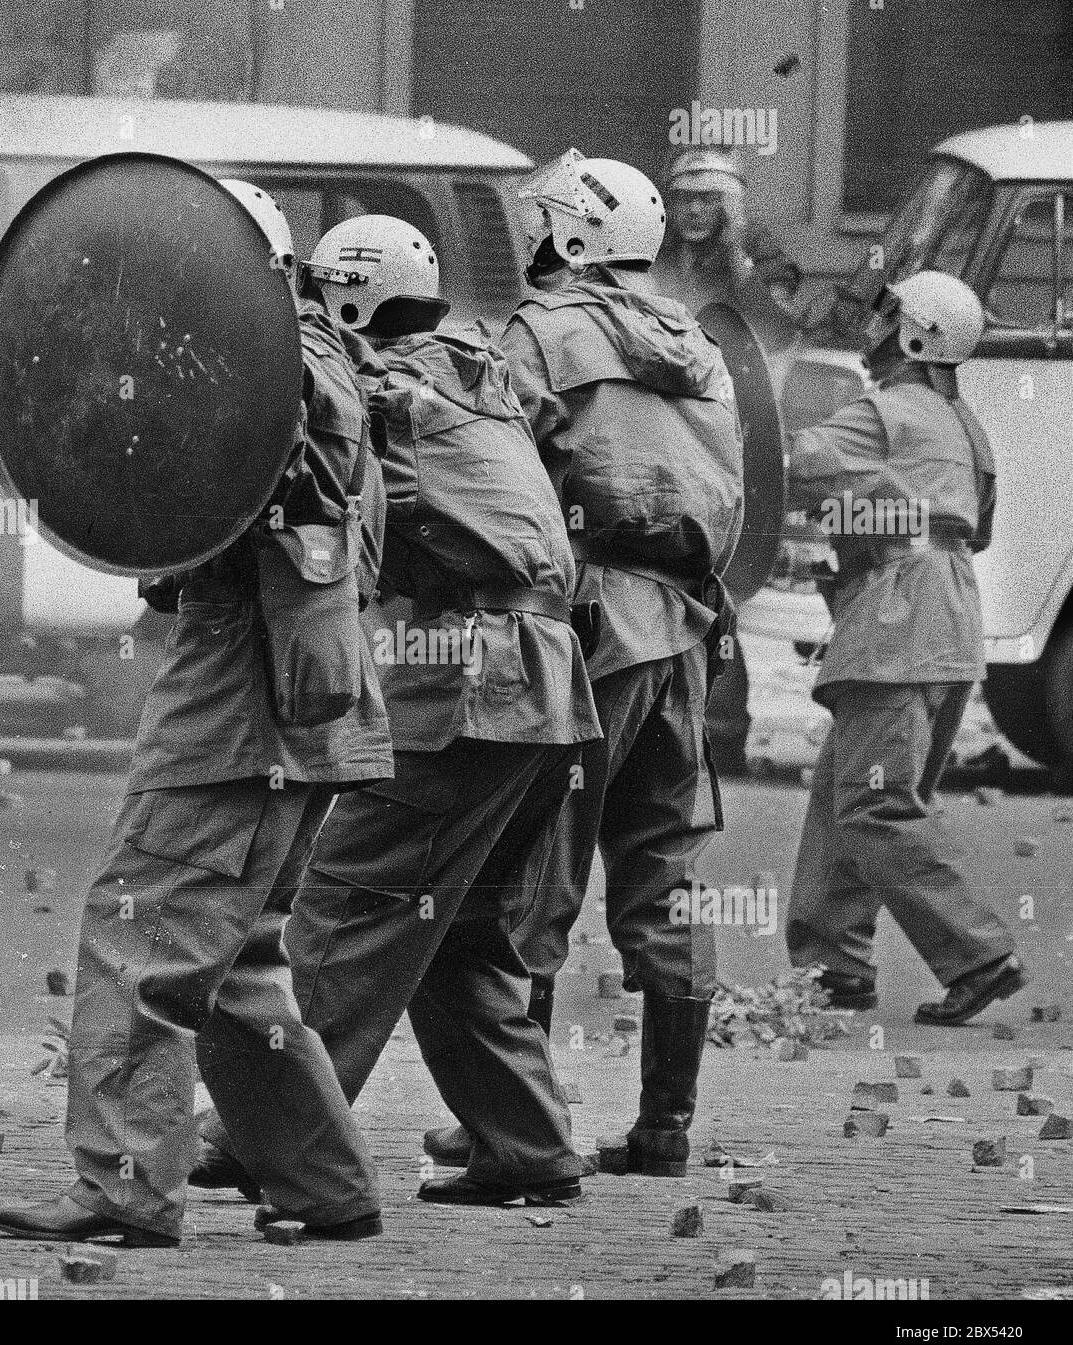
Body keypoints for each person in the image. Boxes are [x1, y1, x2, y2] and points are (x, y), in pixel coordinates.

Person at [0, 181, 392, 1246]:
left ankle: (125, 1186)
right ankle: (324, 1186)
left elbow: (222, 514)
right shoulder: (323, 367)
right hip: (306, 709)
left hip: (234, 714)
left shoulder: (268, 375)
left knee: (137, 937)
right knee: (235, 967)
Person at [192, 212, 603, 1207]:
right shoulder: (480, 371)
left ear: (345, 300)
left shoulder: (380, 385)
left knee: (342, 909)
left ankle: (265, 1138)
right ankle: (527, 1147)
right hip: (546, 688)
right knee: (452, 935)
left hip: (467, 687)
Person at [430, 150, 743, 1181]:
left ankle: (515, 1128)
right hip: (684, 629)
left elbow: (496, 476)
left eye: (545, 222)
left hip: (584, 628)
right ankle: (669, 1127)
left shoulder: (538, 333)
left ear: (572, 238)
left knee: (532, 879)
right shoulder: (694, 340)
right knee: (665, 884)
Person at [784, 269, 1027, 1024]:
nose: (874, 327)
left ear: (915, 334)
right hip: (949, 615)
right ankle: (833, 968)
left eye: (888, 317)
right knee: (843, 795)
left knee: (874, 805)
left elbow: (797, 464)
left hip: (895, 619)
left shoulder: (887, 410)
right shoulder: (965, 425)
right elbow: (976, 523)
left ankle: (977, 954)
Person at [649, 146, 800, 351]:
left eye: (707, 199)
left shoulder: (756, 244)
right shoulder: (658, 243)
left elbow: (779, 333)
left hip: (734, 366)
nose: (694, 209)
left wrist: (734, 251)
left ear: (728, 204)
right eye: (685, 198)